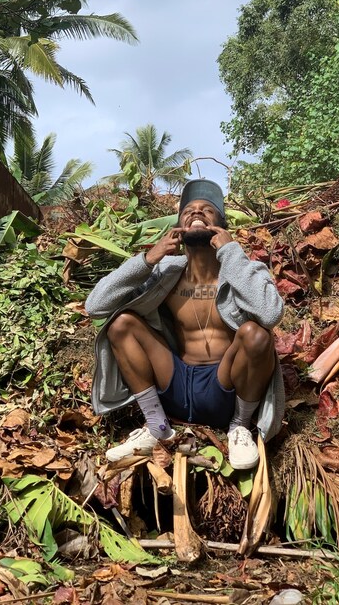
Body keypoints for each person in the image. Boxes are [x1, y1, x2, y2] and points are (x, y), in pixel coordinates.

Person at [86, 178, 285, 469]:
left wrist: (231, 252)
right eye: (189, 210)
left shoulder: (242, 271)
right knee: (121, 324)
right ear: (179, 225)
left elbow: (270, 314)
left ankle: (240, 427)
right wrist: (148, 258)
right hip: (175, 380)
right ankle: (156, 425)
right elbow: (95, 306)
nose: (197, 213)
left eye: (207, 210)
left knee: (255, 334)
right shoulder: (165, 273)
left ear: (221, 225)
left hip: (224, 385)